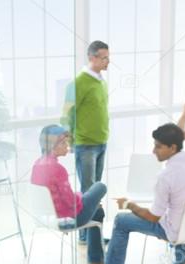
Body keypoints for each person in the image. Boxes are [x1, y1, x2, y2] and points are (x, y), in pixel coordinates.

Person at [101, 123, 185, 264]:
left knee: (121, 220)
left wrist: (129, 205)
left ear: (173, 148)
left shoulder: (166, 176)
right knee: (176, 212)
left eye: (158, 147)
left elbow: (153, 217)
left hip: (178, 231)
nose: (154, 151)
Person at [31, 124, 108, 264]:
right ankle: (95, 261)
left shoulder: (37, 164)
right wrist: (81, 196)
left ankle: (96, 262)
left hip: (46, 217)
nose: (68, 145)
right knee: (100, 186)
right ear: (53, 146)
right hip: (69, 218)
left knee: (97, 211)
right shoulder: (58, 169)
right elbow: (72, 203)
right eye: (64, 142)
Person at [62, 40, 110, 245]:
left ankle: (94, 235)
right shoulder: (77, 83)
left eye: (108, 57)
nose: (108, 61)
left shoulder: (101, 81)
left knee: (95, 192)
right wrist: (69, 141)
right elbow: (67, 114)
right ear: (92, 58)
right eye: (104, 58)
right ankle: (84, 235)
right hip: (85, 145)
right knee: (88, 191)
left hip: (101, 141)